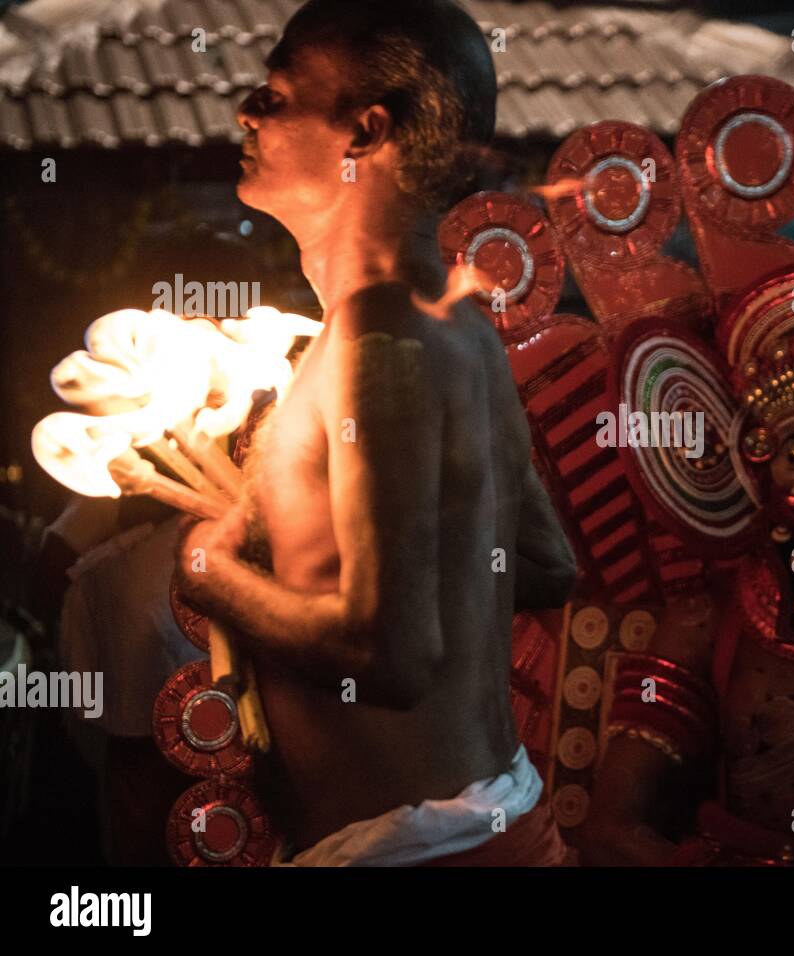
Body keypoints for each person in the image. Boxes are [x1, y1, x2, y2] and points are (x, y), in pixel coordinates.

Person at [175, 0, 576, 866]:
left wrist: (208, 572)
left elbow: (388, 656)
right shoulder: (458, 324)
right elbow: (545, 565)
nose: (247, 110)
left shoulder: (374, 335)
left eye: (276, 94)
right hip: (487, 829)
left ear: (365, 131)